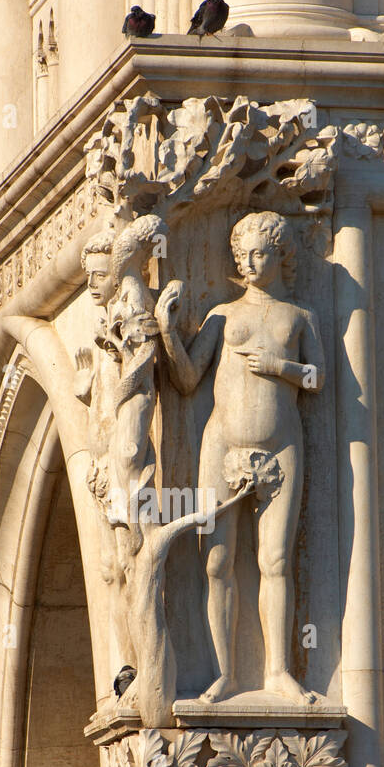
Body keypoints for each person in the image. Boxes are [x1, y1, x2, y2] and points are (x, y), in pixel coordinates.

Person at [155, 211, 324, 704]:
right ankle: (226, 673)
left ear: (279, 255)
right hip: (221, 445)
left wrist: (281, 366)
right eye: (243, 255)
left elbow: (320, 380)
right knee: (216, 562)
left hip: (281, 448)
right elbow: (187, 379)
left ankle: (277, 672)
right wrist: (167, 331)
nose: (249, 264)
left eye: (259, 254)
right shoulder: (223, 315)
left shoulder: (298, 317)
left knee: (275, 560)